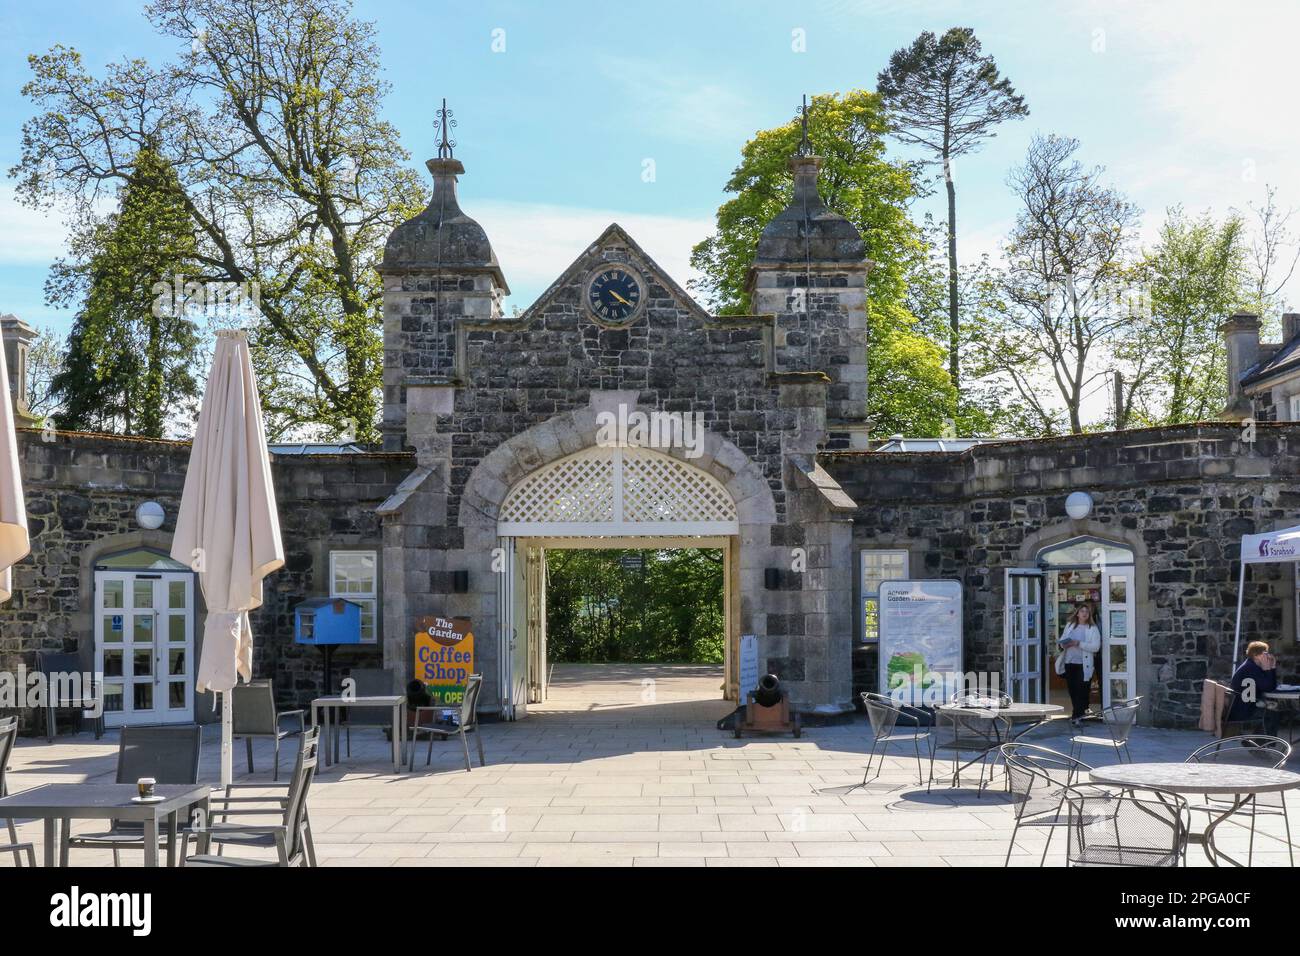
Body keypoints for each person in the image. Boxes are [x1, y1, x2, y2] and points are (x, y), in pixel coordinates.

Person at [1058, 603, 1102, 725]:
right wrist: (1064, 644)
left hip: (1084, 664)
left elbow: (1096, 647)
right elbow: (1062, 641)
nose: (1084, 613)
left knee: (1081, 690)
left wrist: (1079, 643)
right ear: (1077, 613)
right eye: (1082, 611)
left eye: (1086, 612)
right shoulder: (1070, 626)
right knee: (1072, 690)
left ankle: (1076, 716)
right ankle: (1078, 715)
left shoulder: (1092, 629)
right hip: (1070, 662)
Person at [1228, 641, 1280, 735]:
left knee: (1272, 707)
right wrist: (1268, 669)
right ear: (1256, 655)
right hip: (1243, 710)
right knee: (1273, 710)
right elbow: (1268, 688)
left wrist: (1272, 667)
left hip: (1246, 705)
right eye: (1265, 654)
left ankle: (1260, 743)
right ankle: (1262, 743)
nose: (1268, 656)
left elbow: (1271, 686)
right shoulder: (1251, 668)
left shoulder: (1252, 666)